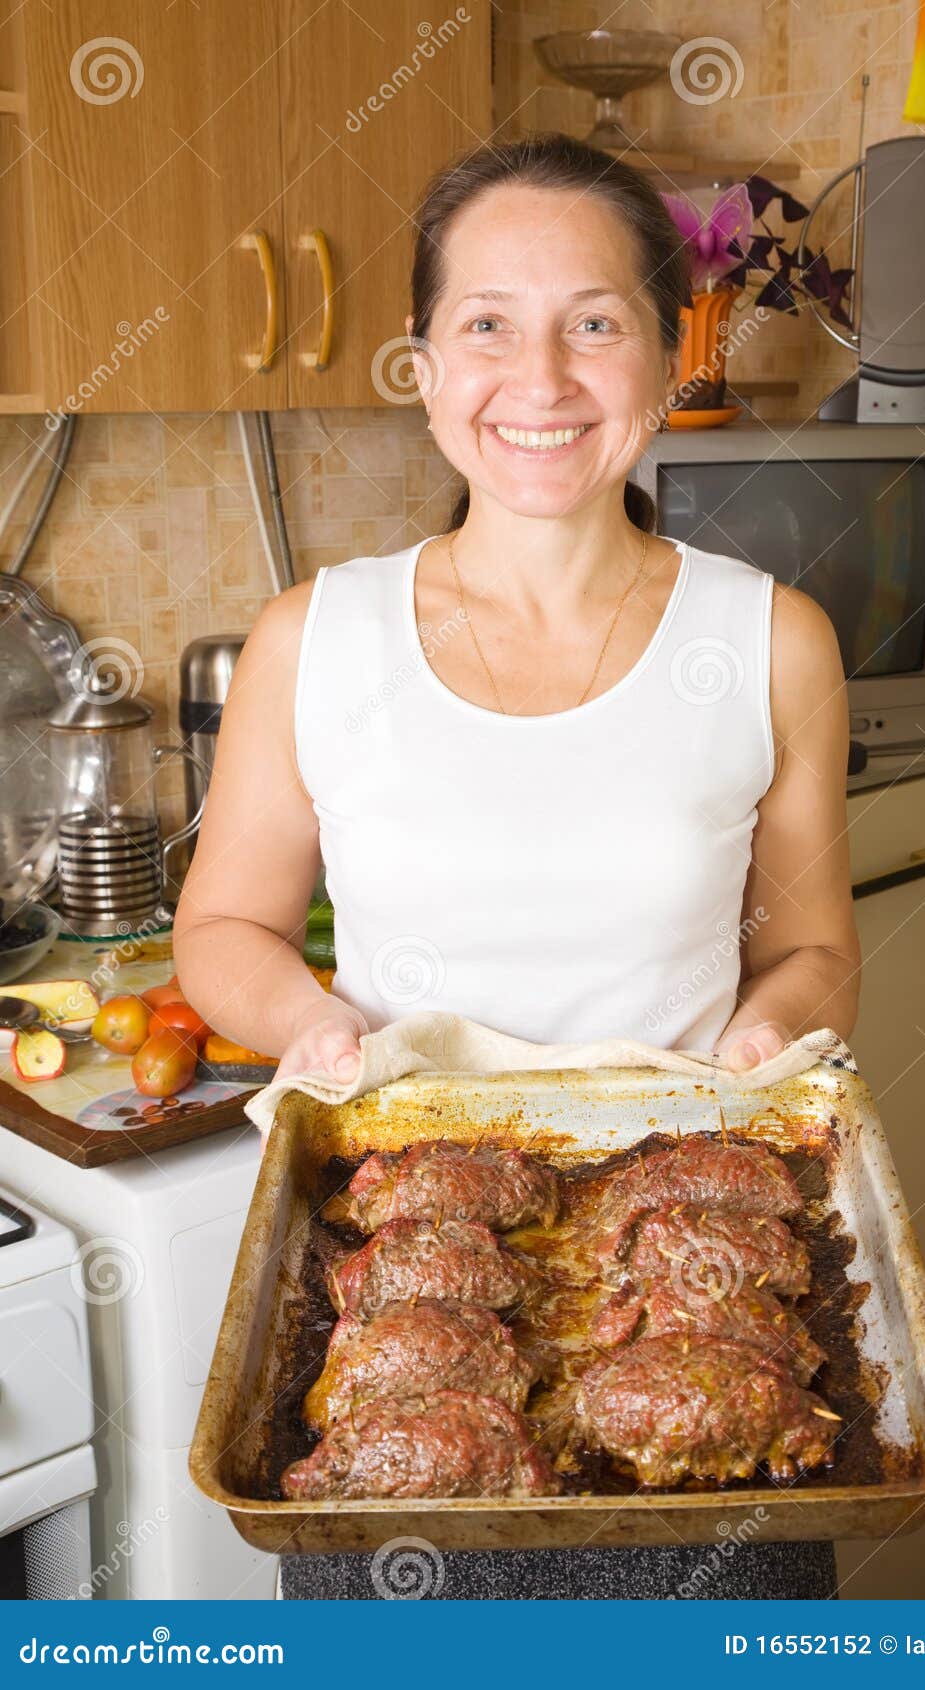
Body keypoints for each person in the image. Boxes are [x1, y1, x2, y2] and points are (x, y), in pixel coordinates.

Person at [174, 132, 861, 1601]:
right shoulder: (315, 639)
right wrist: (315, 1028)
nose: (540, 380)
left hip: (697, 1313)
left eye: (594, 323)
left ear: (666, 353)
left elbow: (814, 950)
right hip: (398, 1358)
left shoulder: (771, 642)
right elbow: (221, 927)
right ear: (424, 363)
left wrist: (765, 1037)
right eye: (487, 323)